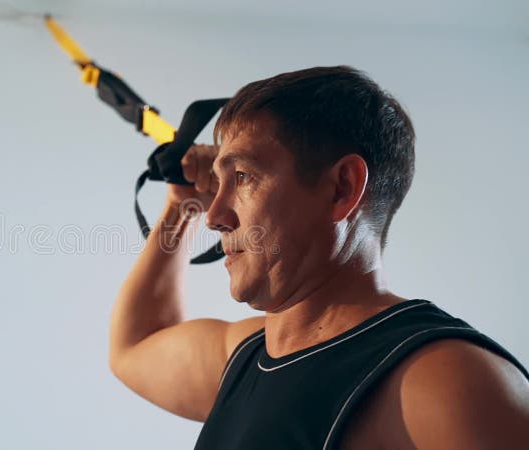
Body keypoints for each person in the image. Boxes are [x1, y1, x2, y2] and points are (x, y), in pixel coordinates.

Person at [108, 66, 529, 449]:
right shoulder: (247, 354)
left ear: (342, 189)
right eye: (218, 184)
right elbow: (135, 346)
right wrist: (183, 208)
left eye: (243, 177)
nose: (215, 217)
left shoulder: (446, 380)